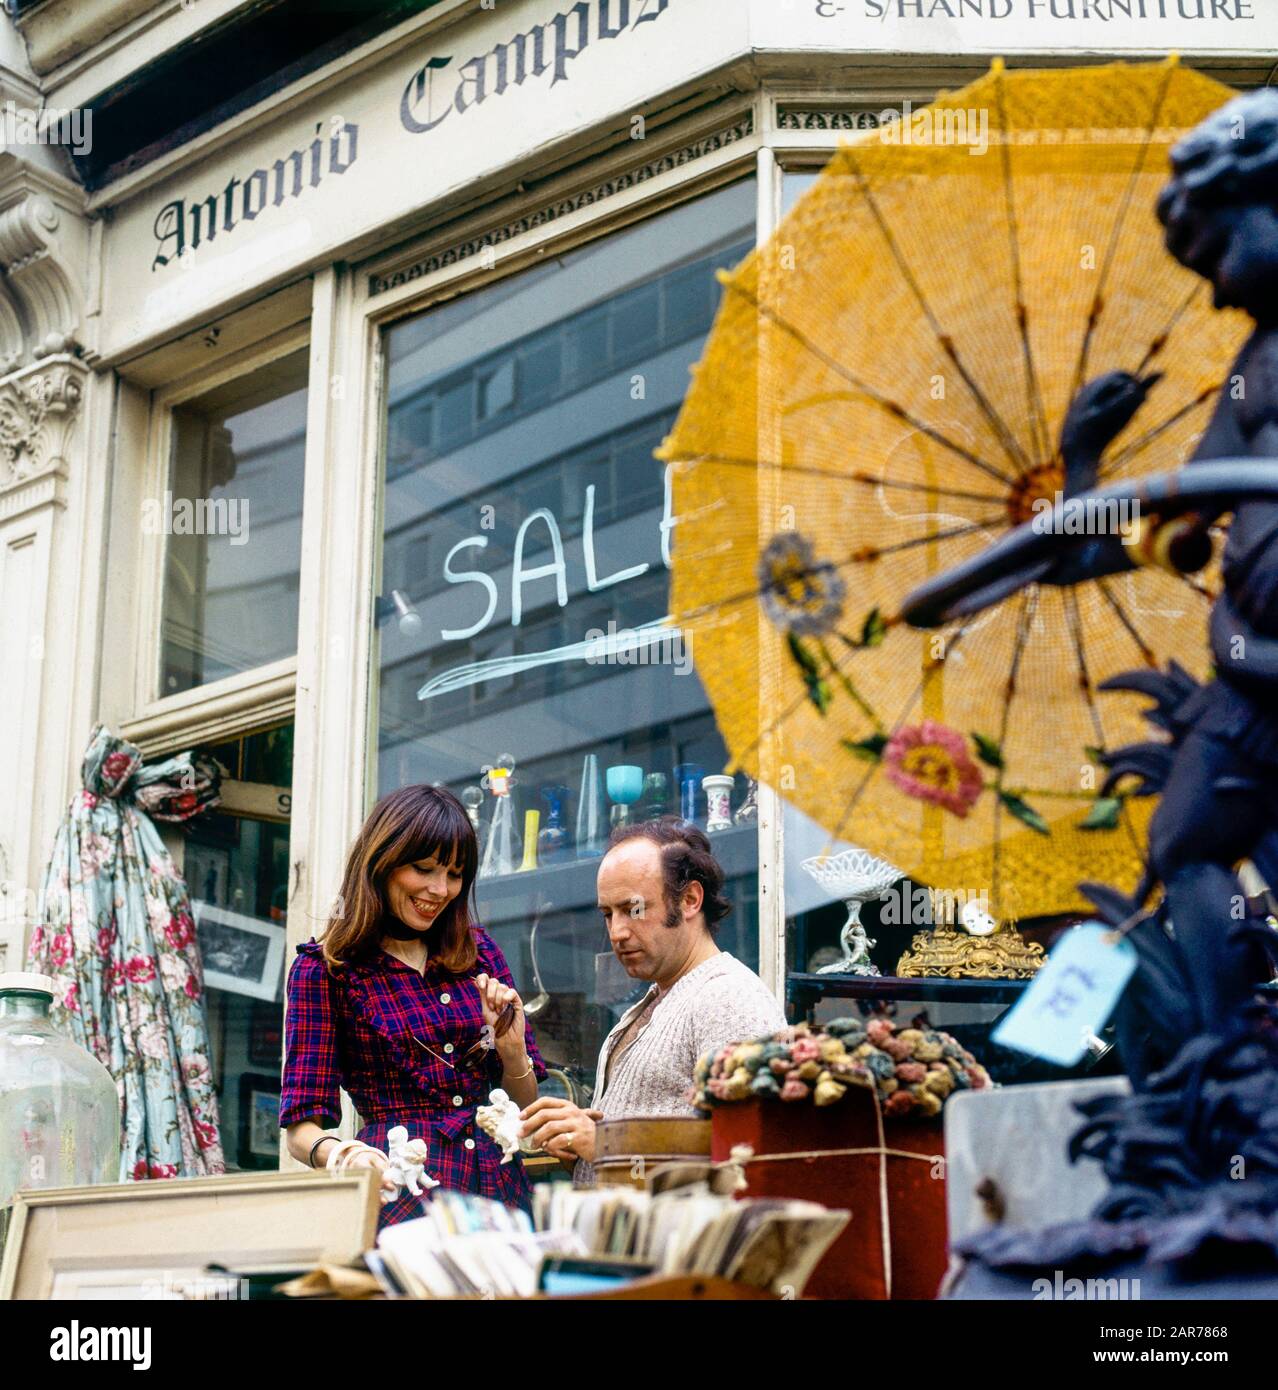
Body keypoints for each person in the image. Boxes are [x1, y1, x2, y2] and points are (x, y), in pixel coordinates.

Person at [280, 785, 545, 1227]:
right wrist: (344, 1156)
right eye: (424, 869)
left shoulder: (481, 953)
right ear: (381, 862)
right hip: (403, 1197)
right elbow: (300, 1131)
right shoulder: (325, 971)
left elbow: (524, 1106)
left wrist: (512, 1049)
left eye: (456, 874)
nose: (440, 890)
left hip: (501, 1193)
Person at [520, 816, 786, 1184]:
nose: (617, 932)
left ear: (690, 899)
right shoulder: (649, 1002)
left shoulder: (729, 999)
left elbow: (748, 1164)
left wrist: (605, 1147)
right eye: (607, 914)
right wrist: (578, 1149)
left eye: (634, 909)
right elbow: (633, 1167)